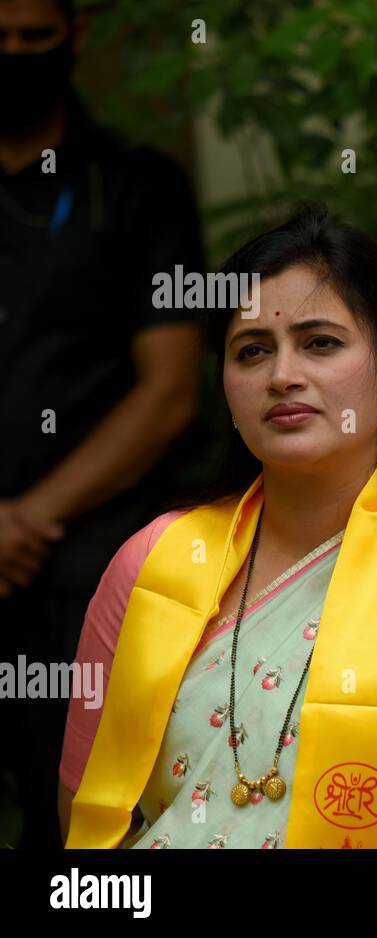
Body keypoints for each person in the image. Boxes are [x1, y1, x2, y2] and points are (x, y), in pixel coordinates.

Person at [59, 206, 377, 848]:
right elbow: (92, 814)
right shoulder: (155, 563)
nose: (283, 376)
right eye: (252, 352)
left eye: (320, 342)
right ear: (226, 386)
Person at [0, 0, 204, 848]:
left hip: (84, 570)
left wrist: (23, 520)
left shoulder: (136, 186)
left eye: (33, 38)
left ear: (77, 36)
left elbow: (169, 391)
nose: (12, 55)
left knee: (88, 821)